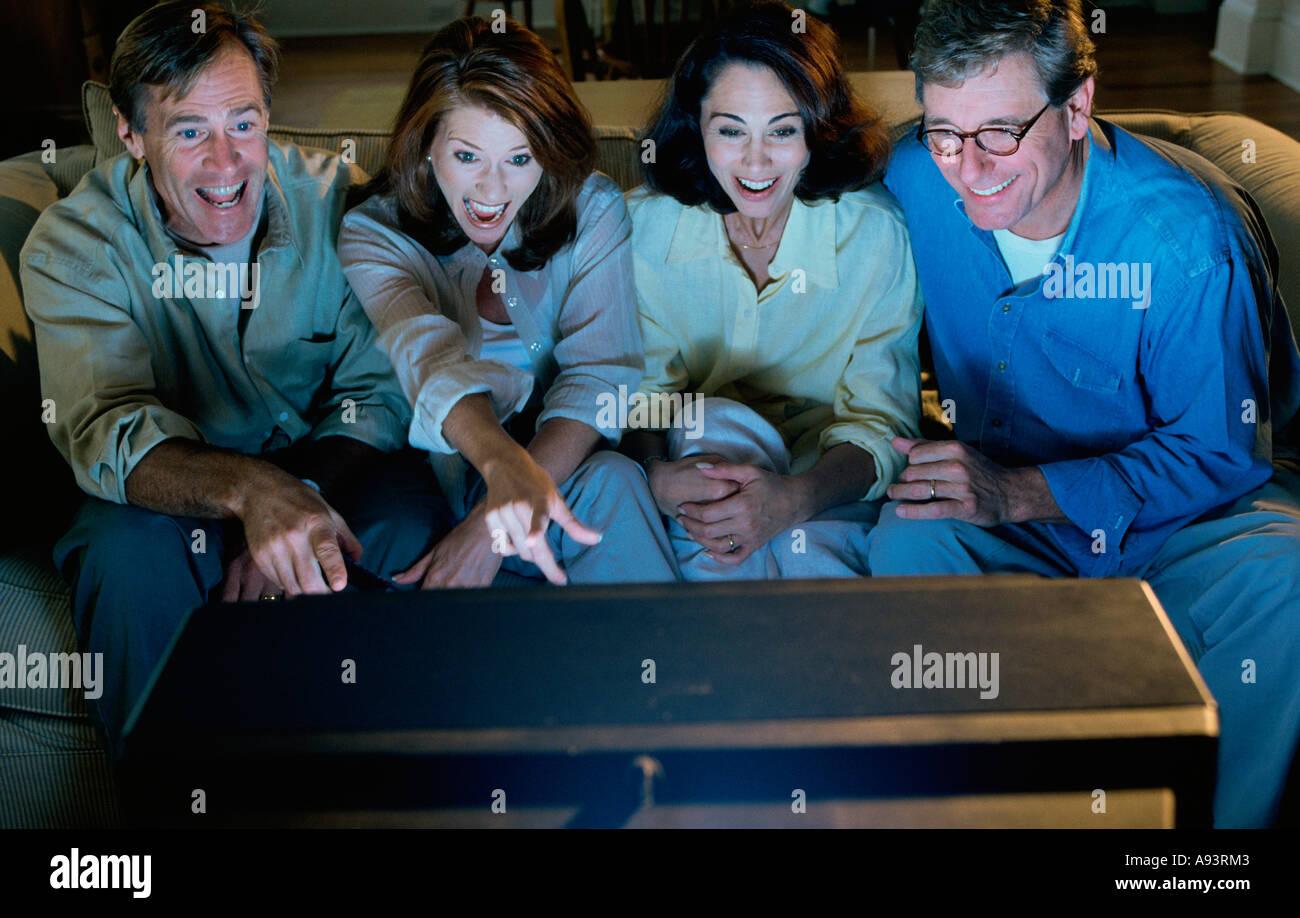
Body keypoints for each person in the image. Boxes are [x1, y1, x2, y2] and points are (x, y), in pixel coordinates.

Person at [870, 0, 1300, 827]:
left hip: (1193, 517)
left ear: (1077, 107)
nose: (970, 165)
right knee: (909, 539)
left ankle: (1205, 863)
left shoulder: (1190, 240)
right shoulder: (912, 175)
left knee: (1285, 579)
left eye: (1000, 131)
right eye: (946, 131)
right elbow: (783, 182)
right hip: (1009, 502)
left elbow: (1220, 451)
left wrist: (1020, 492)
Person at [19, 2, 440, 753]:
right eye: (188, 131)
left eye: (243, 123)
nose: (225, 162)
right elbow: (105, 431)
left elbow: (376, 394)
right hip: (168, 496)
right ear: (129, 133)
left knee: (408, 519)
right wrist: (252, 495)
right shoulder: (74, 243)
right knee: (124, 556)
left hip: (321, 470)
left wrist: (291, 510)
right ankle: (172, 807)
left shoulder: (340, 200)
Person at [339, 16, 679, 588]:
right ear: (426, 146)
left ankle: (658, 672)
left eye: (520, 159)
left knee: (613, 482)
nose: (493, 192)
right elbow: (434, 365)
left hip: (566, 459)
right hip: (450, 467)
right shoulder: (373, 234)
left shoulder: (592, 208)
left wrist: (494, 523)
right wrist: (501, 476)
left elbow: (599, 375)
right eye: (467, 157)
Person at [622, 1, 923, 580]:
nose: (755, 161)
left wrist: (794, 499)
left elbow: (880, 421)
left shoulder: (878, 234)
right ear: (696, 127)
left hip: (824, 481)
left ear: (818, 130)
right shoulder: (643, 231)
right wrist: (656, 477)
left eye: (783, 130)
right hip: (693, 461)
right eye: (730, 130)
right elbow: (643, 399)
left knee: (813, 563)